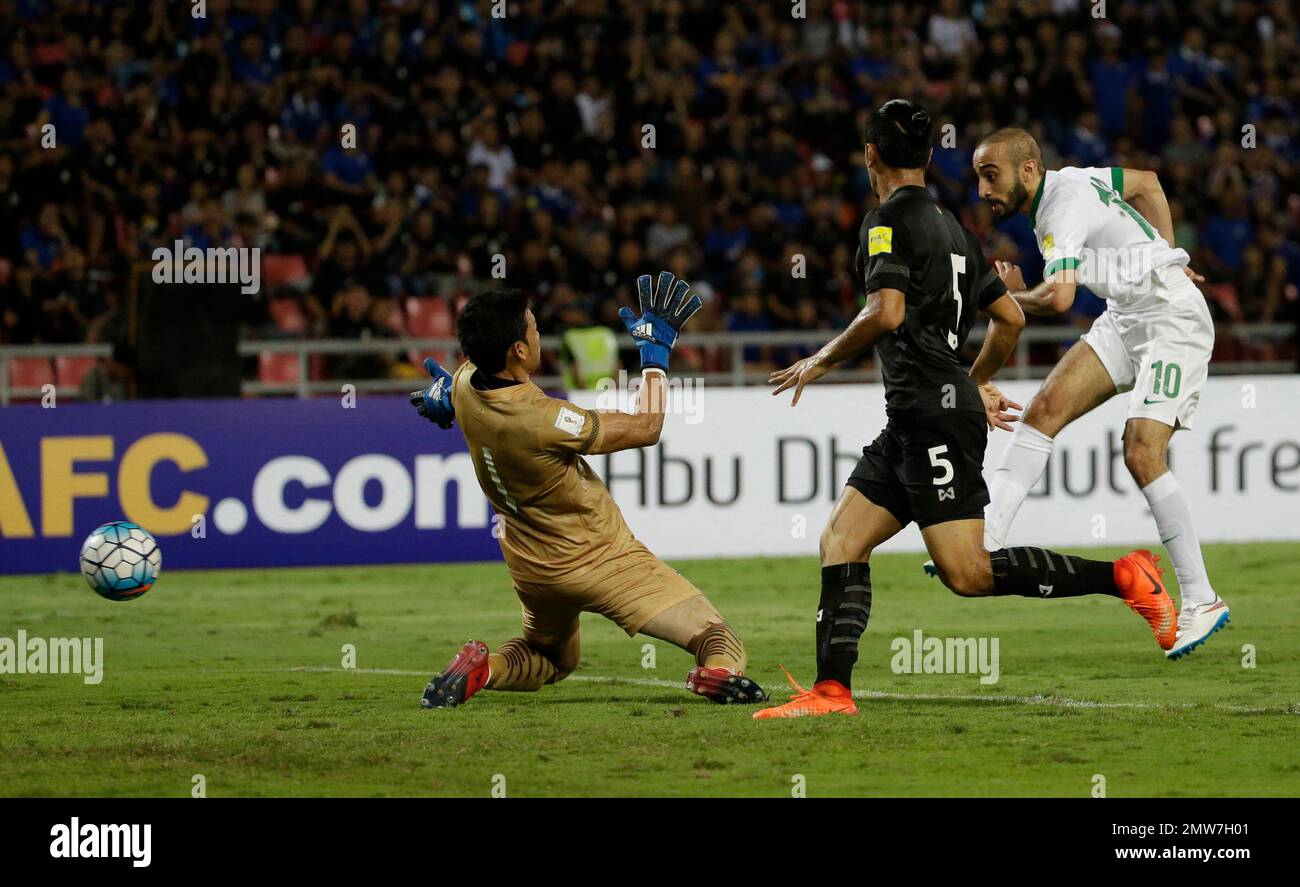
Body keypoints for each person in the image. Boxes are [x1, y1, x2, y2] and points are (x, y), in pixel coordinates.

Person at [753, 101, 1175, 720]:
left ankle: (1126, 577)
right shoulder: (956, 230)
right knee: (841, 538)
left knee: (969, 572)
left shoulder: (883, 222)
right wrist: (969, 381)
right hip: (916, 415)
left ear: (870, 155)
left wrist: (819, 360)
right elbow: (1010, 316)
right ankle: (831, 692)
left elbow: (887, 313)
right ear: (927, 158)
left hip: (931, 419)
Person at [409, 279, 767, 707]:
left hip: (533, 568)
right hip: (601, 559)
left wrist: (443, 398)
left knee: (551, 657)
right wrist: (655, 358)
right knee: (717, 636)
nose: (540, 335)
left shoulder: (467, 382)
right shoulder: (544, 418)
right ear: (519, 351)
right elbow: (645, 427)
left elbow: (454, 392)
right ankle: (717, 675)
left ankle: (485, 670)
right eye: (534, 328)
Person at [971, 128, 1228, 659]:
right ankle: (987, 537)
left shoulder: (1061, 208)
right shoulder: (1077, 178)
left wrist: (1001, 296)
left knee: (1141, 450)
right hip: (1127, 316)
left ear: (1027, 170)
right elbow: (1149, 184)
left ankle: (1202, 598)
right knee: (1042, 411)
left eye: (989, 175)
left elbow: (1060, 298)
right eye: (978, 176)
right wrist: (1168, 248)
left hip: (1170, 319)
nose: (981, 190)